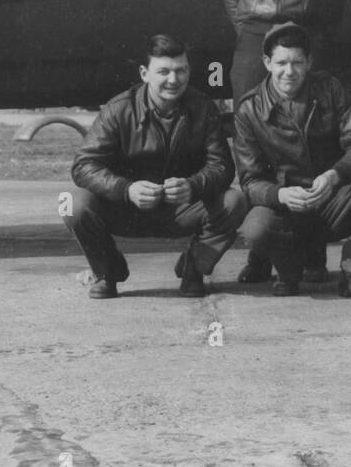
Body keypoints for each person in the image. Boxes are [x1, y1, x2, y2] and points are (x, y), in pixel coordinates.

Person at [221, 0, 347, 286]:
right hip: (257, 41)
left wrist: (310, 42)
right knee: (254, 145)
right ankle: (261, 251)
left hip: (306, 36)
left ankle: (311, 251)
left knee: (308, 141)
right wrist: (256, 36)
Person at [62, 34, 246, 299]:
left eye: (181, 70)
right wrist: (127, 189)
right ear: (144, 73)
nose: (173, 80)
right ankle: (107, 272)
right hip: (128, 209)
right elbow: (83, 166)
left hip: (181, 209)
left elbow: (222, 167)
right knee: (70, 202)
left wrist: (192, 186)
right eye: (163, 71)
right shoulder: (118, 110)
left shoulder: (203, 108)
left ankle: (194, 267)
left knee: (235, 200)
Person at [234, 24, 351, 302]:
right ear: (266, 63)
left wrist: (334, 175)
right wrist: (281, 194)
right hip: (288, 212)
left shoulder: (330, 89)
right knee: (255, 228)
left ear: (309, 62)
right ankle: (288, 270)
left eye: (298, 62)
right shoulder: (249, 109)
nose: (289, 71)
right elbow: (250, 182)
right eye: (281, 63)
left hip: (336, 202)